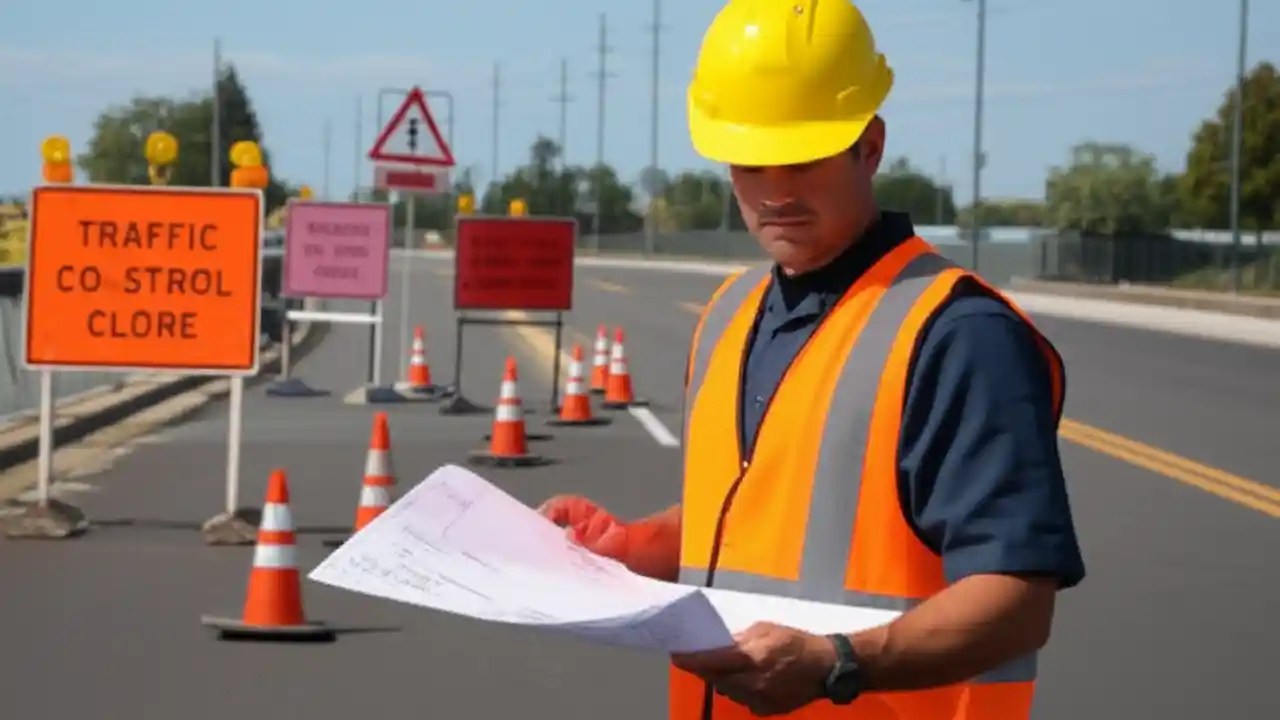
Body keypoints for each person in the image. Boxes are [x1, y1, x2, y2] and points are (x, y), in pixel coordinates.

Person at [538, 1, 1085, 718]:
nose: (776, 191)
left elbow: (1017, 601)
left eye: (803, 156)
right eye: (751, 160)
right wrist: (627, 546)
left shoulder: (958, 333)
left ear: (871, 146)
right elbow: (750, 523)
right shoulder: (731, 315)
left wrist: (840, 663)